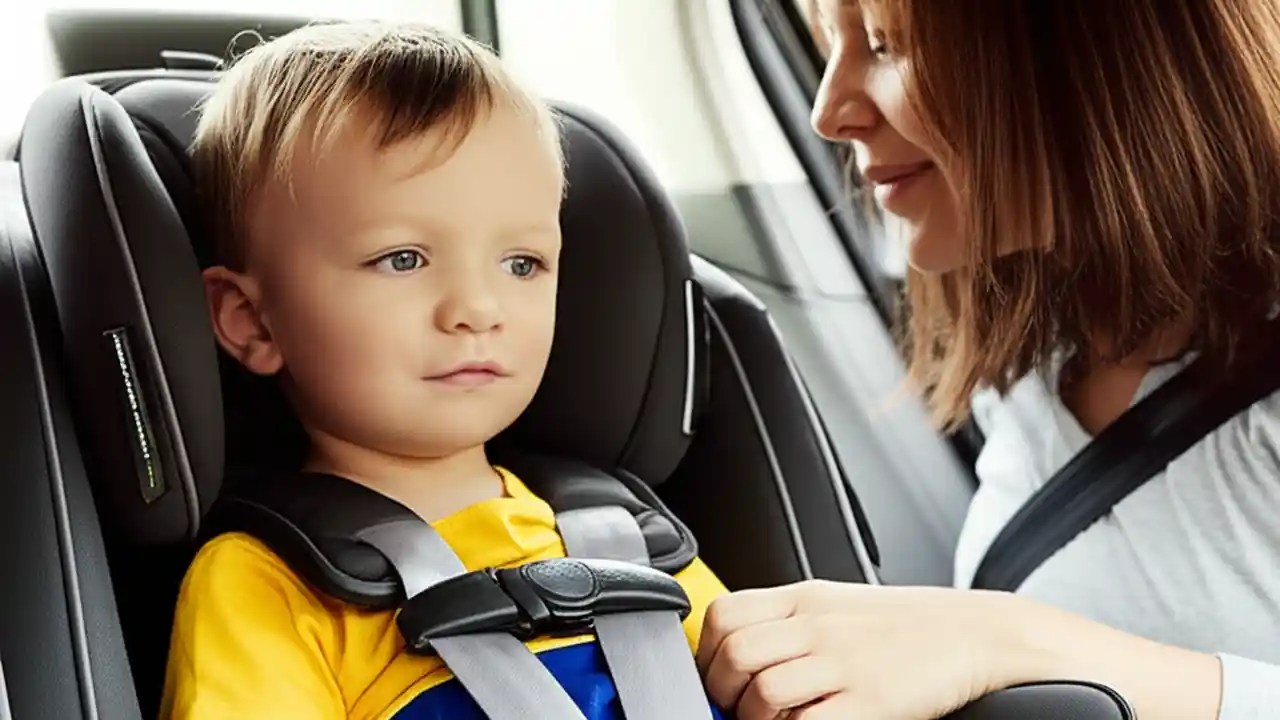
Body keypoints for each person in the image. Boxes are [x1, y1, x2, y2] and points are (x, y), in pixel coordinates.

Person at [697, 1, 1280, 718]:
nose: (829, 111)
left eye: (884, 45)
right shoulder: (1038, 362)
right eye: (829, 43)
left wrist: (1016, 643)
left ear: (1084, 58)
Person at [160, 22, 727, 719]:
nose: (477, 308)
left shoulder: (632, 539)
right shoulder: (269, 584)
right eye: (403, 259)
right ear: (251, 319)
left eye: (521, 264)